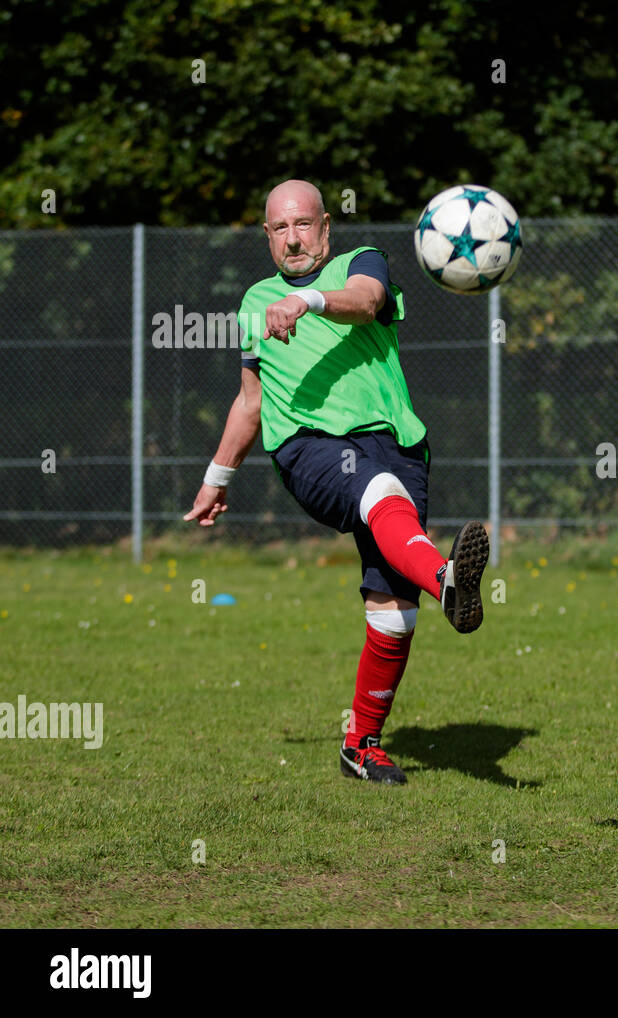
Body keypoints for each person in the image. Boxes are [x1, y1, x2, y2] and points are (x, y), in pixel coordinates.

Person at [184, 179, 489, 786]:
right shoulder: (254, 301)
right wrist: (218, 475)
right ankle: (445, 578)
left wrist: (309, 303)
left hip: (396, 442)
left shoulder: (361, 262)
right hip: (309, 447)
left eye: (303, 225)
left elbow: (366, 300)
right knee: (378, 493)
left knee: (393, 615)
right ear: (267, 236)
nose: (293, 239)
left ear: (326, 226)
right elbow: (251, 402)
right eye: (279, 229)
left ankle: (361, 745)